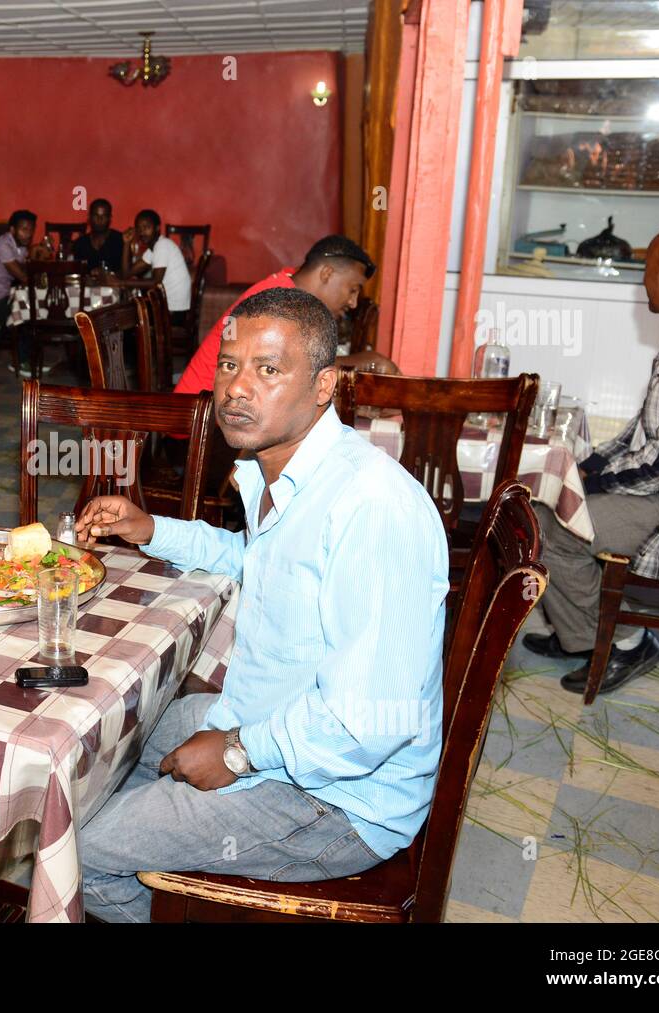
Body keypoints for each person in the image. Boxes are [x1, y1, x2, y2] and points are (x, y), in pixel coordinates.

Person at [74, 287, 449, 923]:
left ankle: (121, 871)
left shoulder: (371, 507)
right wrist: (151, 530)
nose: (237, 389)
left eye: (268, 370)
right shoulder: (289, 473)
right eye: (229, 365)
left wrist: (236, 751)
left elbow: (367, 724)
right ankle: (138, 841)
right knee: (110, 745)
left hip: (341, 798)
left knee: (78, 852)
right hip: (275, 716)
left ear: (325, 384)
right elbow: (261, 559)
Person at [524, 224, 659, 695]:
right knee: (540, 508)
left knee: (558, 528)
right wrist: (587, 469)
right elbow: (643, 434)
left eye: (645, 270)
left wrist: (593, 488)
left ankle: (623, 642)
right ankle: (581, 633)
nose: (642, 282)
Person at [175, 234, 392, 396]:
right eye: (352, 289)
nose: (353, 303)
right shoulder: (279, 302)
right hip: (198, 423)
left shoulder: (289, 286)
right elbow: (296, 368)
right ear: (327, 273)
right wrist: (366, 361)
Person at [122, 209, 192, 318]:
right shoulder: (153, 249)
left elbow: (155, 282)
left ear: (157, 228)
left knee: (130, 315)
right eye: (139, 228)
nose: (142, 232)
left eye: (146, 227)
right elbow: (127, 273)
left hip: (174, 312)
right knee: (131, 311)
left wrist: (122, 283)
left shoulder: (162, 245)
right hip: (168, 307)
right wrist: (126, 243)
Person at [0, 209, 37, 325]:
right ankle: (23, 342)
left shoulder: (21, 246)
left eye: (31, 230)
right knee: (31, 312)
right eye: (24, 229)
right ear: (13, 230)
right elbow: (24, 277)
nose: (29, 234)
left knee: (33, 307)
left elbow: (26, 269)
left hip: (5, 298)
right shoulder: (4, 246)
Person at [71, 199, 124, 276]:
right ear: (89, 217)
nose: (100, 220)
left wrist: (108, 274)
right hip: (87, 286)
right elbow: (75, 272)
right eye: (96, 216)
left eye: (104, 216)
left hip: (114, 286)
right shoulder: (80, 243)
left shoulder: (120, 240)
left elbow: (127, 272)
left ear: (110, 218)